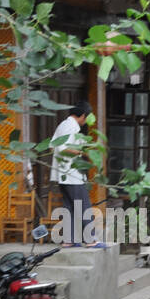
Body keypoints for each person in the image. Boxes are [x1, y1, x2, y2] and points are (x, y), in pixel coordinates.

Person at [50, 102, 103, 247]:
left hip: (64, 174)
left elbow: (53, 145)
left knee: (70, 207)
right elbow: (63, 148)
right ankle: (90, 240)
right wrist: (84, 152)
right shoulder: (70, 126)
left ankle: (69, 240)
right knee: (83, 206)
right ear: (83, 115)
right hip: (71, 174)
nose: (85, 121)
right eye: (86, 117)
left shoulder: (64, 125)